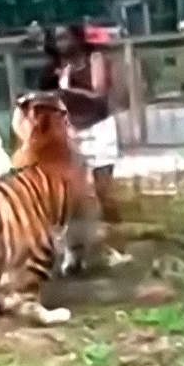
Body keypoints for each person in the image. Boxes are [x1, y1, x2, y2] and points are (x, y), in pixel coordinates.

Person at [37, 22, 123, 223]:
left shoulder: (94, 59)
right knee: (73, 191)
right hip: (72, 130)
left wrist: (67, 92)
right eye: (56, 39)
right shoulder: (57, 67)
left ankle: (116, 229)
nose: (60, 44)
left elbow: (100, 94)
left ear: (76, 37)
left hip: (99, 128)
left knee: (103, 191)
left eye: (64, 37)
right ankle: (82, 231)